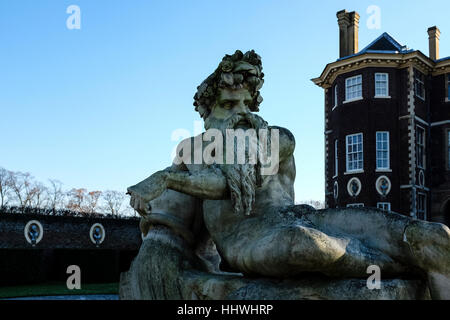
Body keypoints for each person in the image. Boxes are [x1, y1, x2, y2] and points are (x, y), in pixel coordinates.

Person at [128, 50, 450, 299]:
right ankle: (403, 265)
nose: (241, 114)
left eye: (246, 105)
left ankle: (410, 261)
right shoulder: (193, 153)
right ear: (207, 115)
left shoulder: (273, 136)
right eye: (228, 105)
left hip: (302, 217)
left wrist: (165, 179)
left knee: (435, 238)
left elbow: (237, 176)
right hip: (252, 240)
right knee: (306, 244)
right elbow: (167, 236)